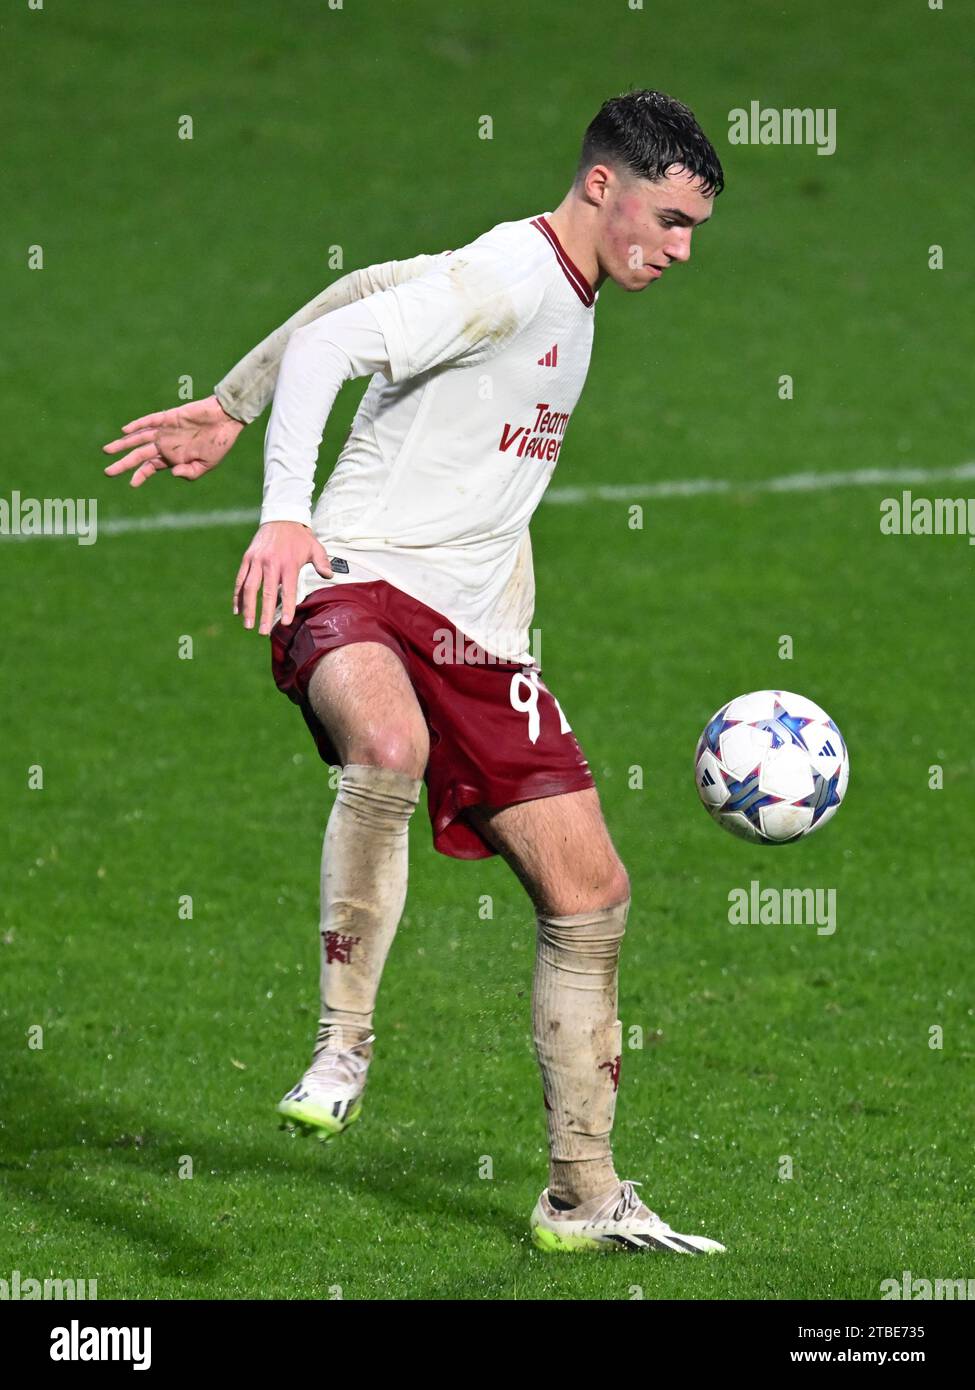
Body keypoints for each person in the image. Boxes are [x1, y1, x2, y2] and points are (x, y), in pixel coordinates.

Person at [104, 89, 726, 1254]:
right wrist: (285, 518)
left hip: (478, 637)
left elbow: (357, 294)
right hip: (354, 584)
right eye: (671, 219)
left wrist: (232, 400)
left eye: (694, 229)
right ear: (604, 186)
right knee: (389, 747)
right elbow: (341, 346)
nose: (680, 251)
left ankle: (582, 1195)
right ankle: (344, 1043)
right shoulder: (513, 275)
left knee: (591, 894)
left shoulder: (549, 287)